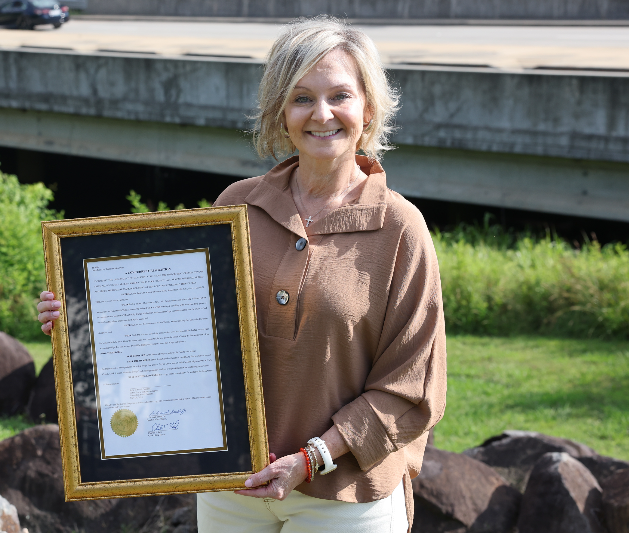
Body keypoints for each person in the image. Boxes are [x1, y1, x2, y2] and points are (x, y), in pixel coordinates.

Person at [37, 16, 446, 533]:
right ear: (280, 111)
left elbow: (411, 387)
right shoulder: (237, 208)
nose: (322, 114)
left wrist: (310, 458)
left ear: (368, 106)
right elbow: (178, 336)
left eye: (340, 95)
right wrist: (82, 319)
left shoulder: (400, 229)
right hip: (233, 491)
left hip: (343, 495)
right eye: (301, 98)